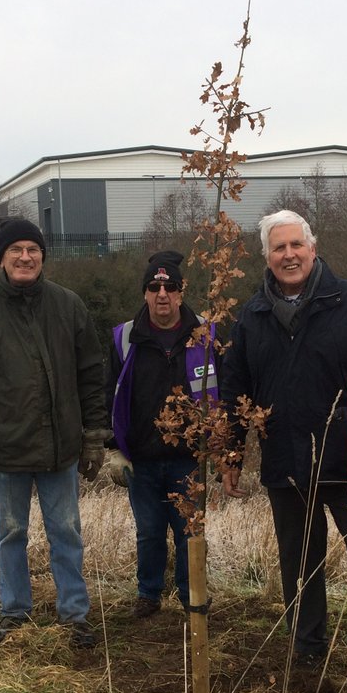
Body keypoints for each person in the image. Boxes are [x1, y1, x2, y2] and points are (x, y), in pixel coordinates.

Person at [219, 210, 347, 676]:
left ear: (313, 249)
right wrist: (232, 452)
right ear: (267, 257)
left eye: (297, 245)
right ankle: (308, 650)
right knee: (299, 561)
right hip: (284, 459)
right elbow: (235, 388)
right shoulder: (251, 317)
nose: (289, 255)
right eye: (279, 248)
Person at [0, 219, 110, 649]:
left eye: (33, 249)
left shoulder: (68, 306)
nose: (25, 257)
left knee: (67, 533)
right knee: (10, 534)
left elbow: (92, 376)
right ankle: (14, 613)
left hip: (61, 450)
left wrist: (94, 436)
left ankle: (75, 615)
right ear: (1, 257)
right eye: (15, 249)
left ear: (43, 256)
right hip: (4, 452)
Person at [104, 250, 217, 618]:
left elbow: (224, 389)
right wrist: (112, 448)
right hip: (143, 458)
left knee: (189, 533)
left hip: (189, 457)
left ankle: (191, 595)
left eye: (170, 287)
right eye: (154, 287)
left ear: (182, 293)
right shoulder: (124, 338)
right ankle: (148, 594)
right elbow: (110, 393)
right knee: (149, 532)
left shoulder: (205, 333)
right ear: (145, 293)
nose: (162, 294)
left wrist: (220, 445)